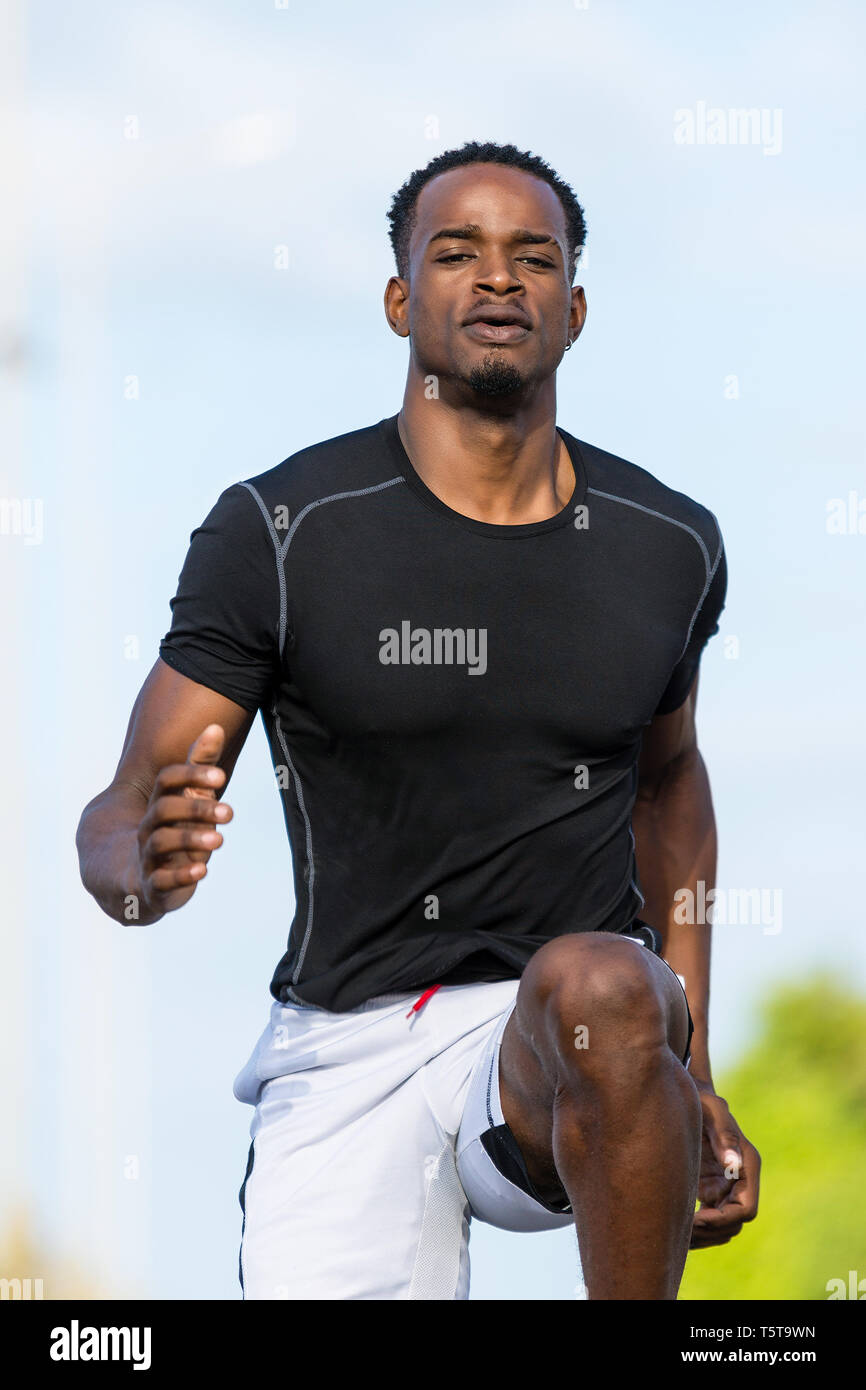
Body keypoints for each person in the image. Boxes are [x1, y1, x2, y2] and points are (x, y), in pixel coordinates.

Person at [76, 139, 760, 1300]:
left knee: (601, 982)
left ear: (575, 308)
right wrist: (137, 868)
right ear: (401, 299)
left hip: (549, 1043)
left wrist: (681, 1057)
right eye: (457, 254)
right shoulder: (282, 530)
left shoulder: (666, 541)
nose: (496, 280)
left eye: (530, 258)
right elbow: (124, 810)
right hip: (346, 1036)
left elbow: (666, 782)